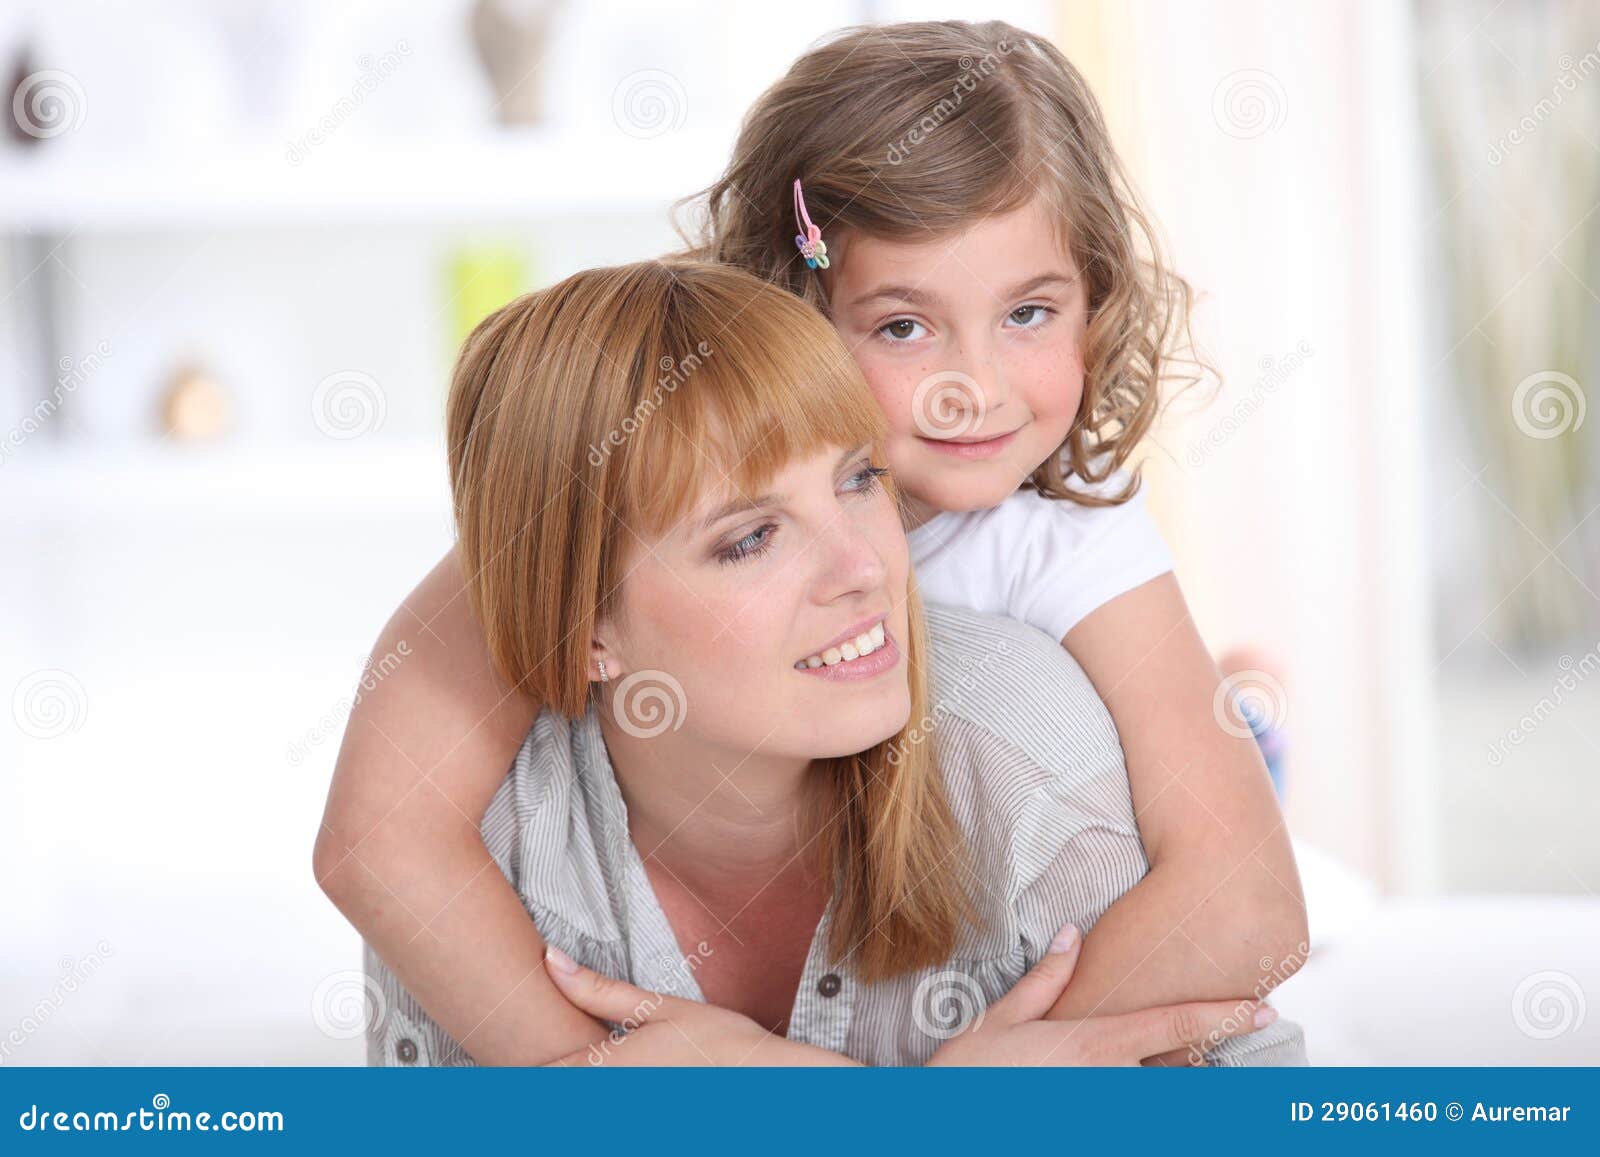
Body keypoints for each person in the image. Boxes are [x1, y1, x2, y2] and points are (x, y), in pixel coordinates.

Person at [316, 20, 1307, 1062]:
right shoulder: (633, 468)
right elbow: (377, 834)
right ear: (792, 314)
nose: (975, 386)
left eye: (1028, 313)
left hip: (1055, 847)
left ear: (1093, 303)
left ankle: (1255, 725)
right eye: (901, 327)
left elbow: (1247, 896)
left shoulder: (1067, 540)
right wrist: (590, 1075)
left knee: (1199, 771)